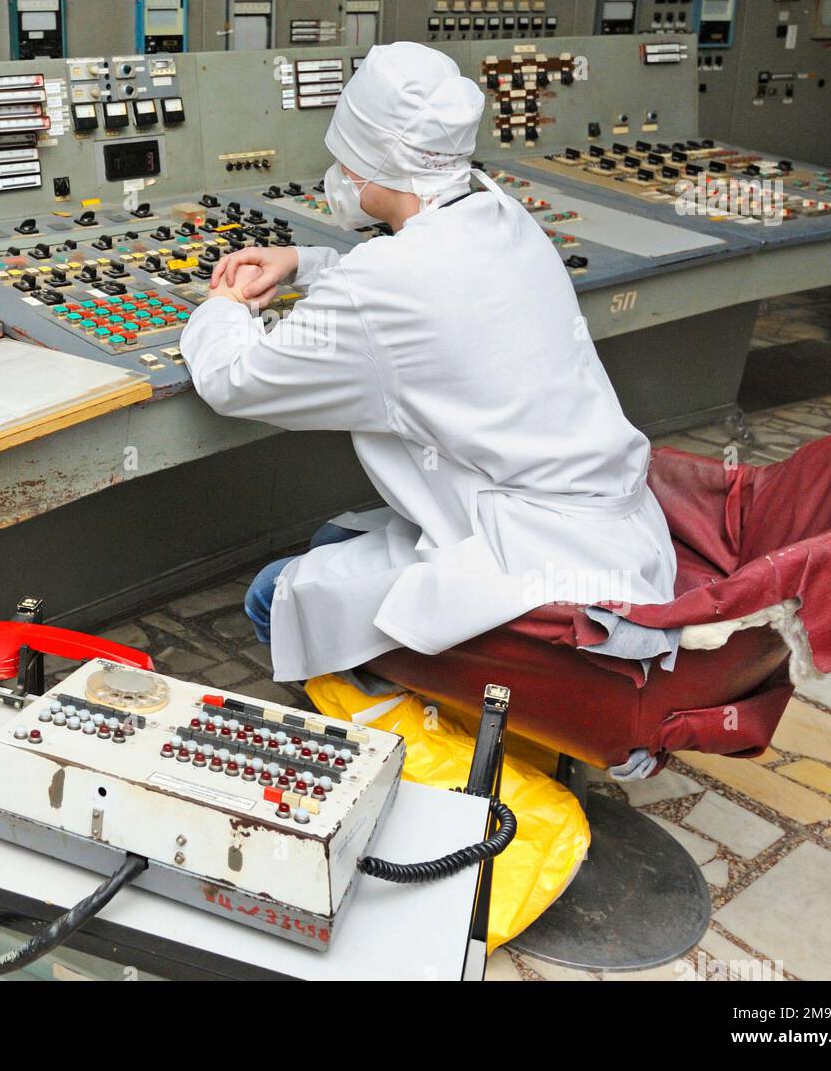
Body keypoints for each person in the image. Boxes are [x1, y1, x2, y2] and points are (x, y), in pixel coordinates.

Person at [178, 42, 678, 683]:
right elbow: (428, 289)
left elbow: (234, 381)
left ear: (368, 159)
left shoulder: (385, 284)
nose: (338, 171)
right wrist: (306, 262)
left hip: (540, 564)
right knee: (335, 542)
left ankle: (420, 733)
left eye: (344, 155)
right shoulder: (503, 215)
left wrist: (221, 307)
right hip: (611, 536)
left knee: (275, 596)